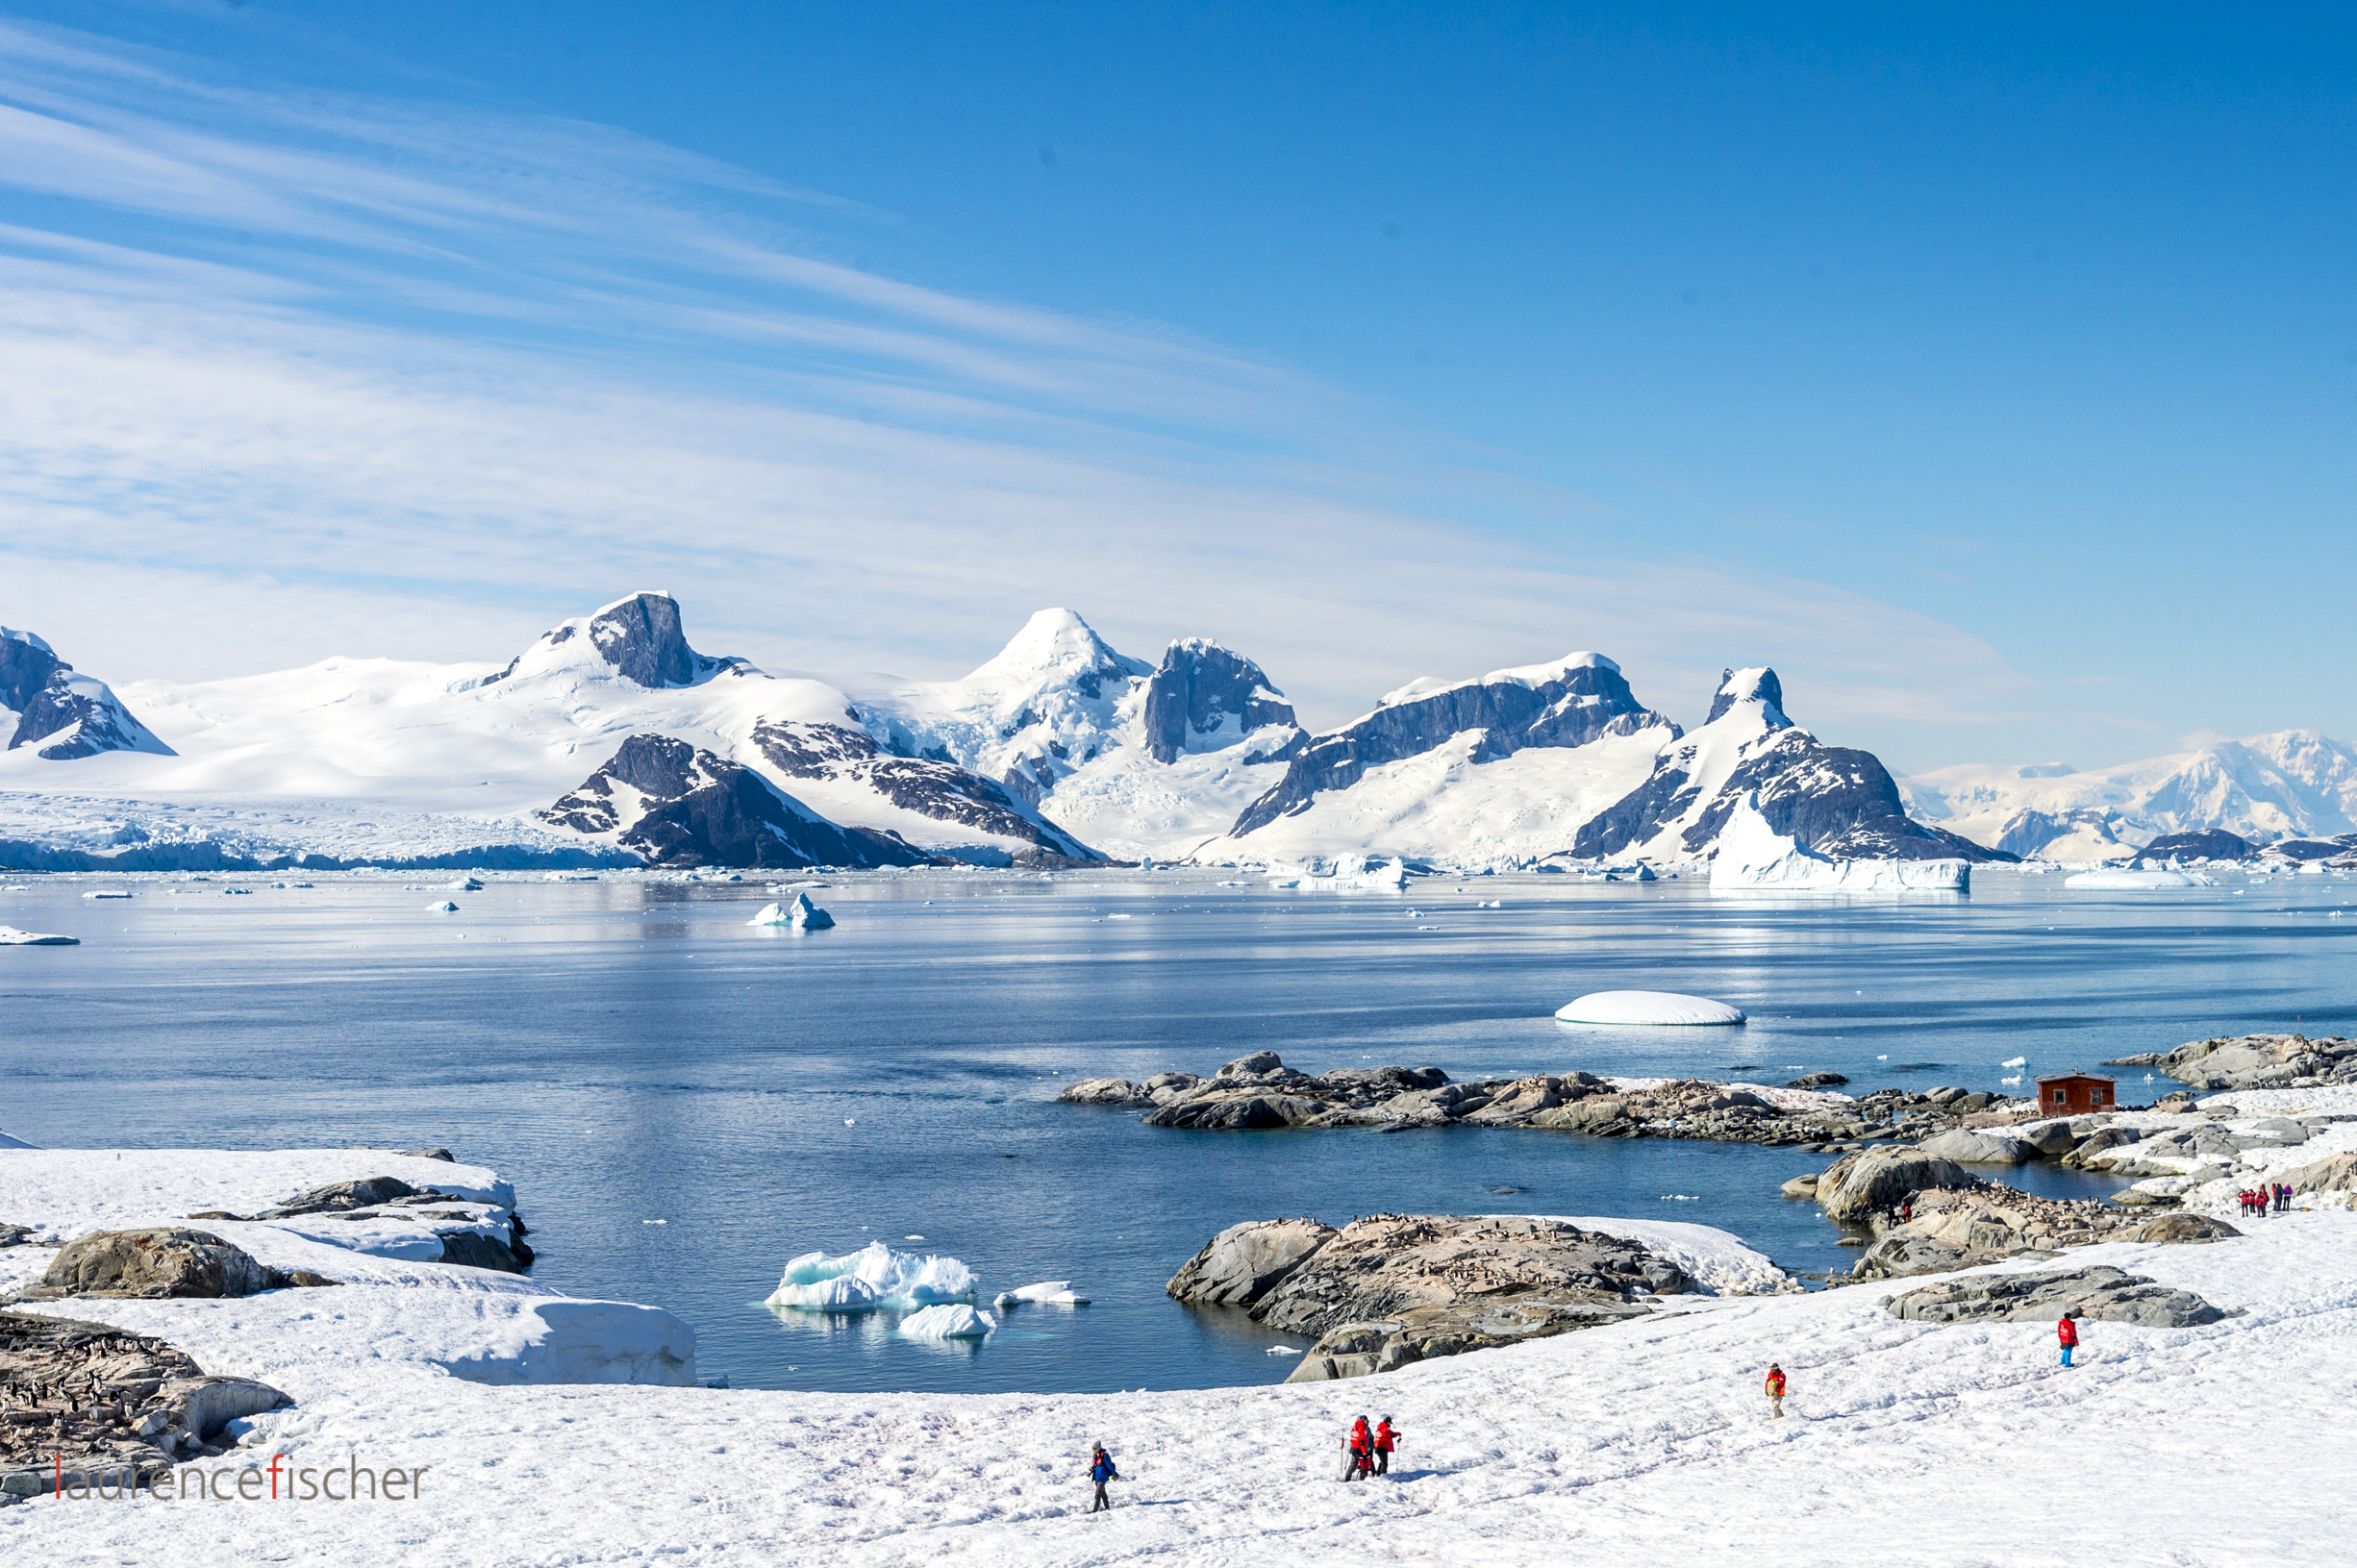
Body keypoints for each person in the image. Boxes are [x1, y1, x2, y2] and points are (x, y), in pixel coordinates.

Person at [1089, 1443, 1118, 1512]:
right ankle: (1107, 1509)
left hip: (1103, 1477)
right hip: (1097, 1477)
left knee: (1097, 1494)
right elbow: (1095, 1465)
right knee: (1103, 1493)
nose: (1093, 1450)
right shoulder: (1096, 1456)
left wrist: (1115, 1475)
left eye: (1095, 1449)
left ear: (1098, 1448)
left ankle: (1094, 1511)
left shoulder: (1105, 1456)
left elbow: (1110, 1466)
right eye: (1093, 1449)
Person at [1345, 1416, 1373, 1481]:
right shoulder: (1362, 1427)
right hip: (1360, 1449)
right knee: (1364, 1464)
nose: (1367, 1422)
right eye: (1366, 1420)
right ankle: (1362, 1479)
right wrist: (1364, 1451)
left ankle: (1347, 1478)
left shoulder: (1355, 1427)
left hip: (1353, 1448)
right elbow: (1362, 1441)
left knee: (1353, 1464)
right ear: (1363, 1420)